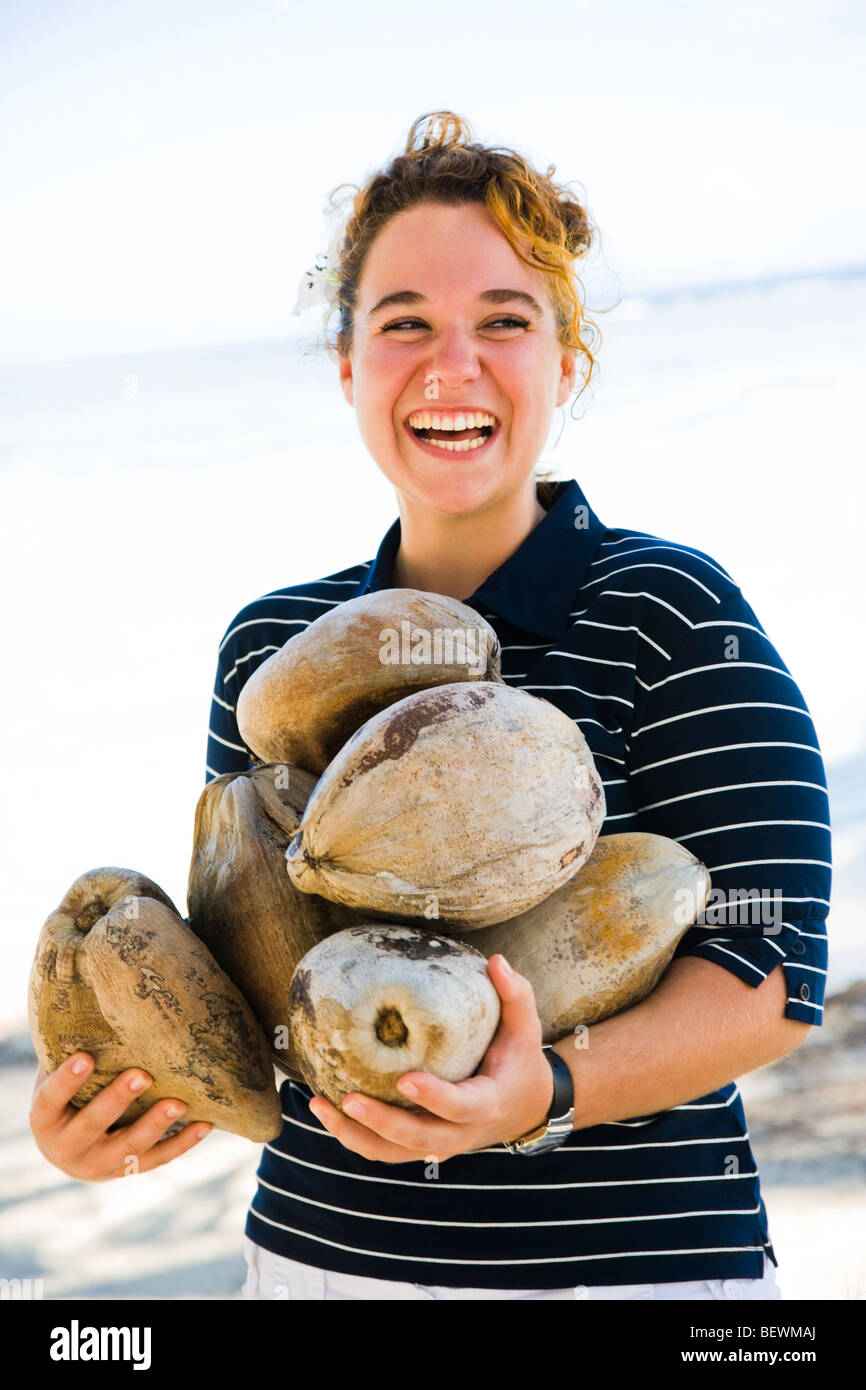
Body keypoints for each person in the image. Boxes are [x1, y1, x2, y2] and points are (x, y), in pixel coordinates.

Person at [30, 111, 830, 1302]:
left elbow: (771, 969)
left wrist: (544, 1093)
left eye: (503, 322)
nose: (450, 365)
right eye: (403, 324)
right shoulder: (269, 649)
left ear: (567, 363)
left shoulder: (666, 606)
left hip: (622, 1276)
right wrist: (109, 1115)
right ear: (347, 365)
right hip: (315, 1261)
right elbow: (254, 993)